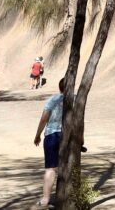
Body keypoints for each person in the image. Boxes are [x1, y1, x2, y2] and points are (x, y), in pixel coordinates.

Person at [34, 77, 65, 207]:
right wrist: (81, 140)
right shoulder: (76, 99)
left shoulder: (53, 99)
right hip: (67, 136)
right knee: (65, 168)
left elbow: (43, 119)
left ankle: (46, 199)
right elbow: (79, 121)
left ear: (60, 87)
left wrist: (37, 135)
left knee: (51, 168)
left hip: (52, 135)